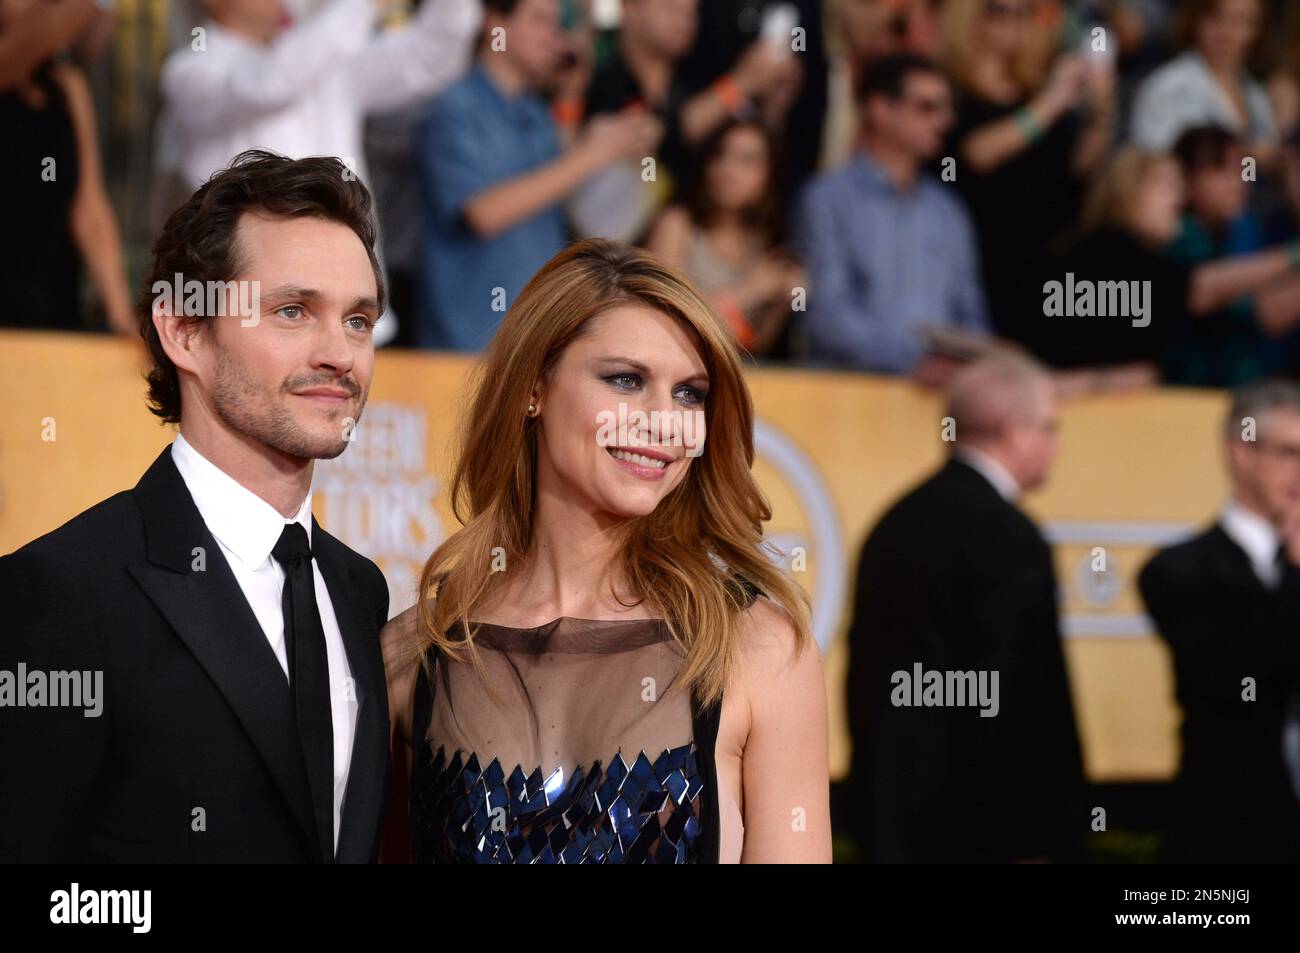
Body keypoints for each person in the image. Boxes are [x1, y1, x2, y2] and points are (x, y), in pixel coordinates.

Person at [382, 238, 831, 863]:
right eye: (626, 380)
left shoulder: (757, 648)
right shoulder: (413, 655)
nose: (663, 420)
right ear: (532, 388)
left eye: (689, 394)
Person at [0, 152, 392, 862]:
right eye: (293, 311)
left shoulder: (357, 589)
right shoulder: (63, 592)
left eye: (359, 320)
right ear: (184, 331)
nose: (342, 353)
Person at [847, 352, 1085, 862]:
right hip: (983, 834)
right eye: (1051, 426)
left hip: (893, 824)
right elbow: (1021, 701)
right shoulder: (1010, 537)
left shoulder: (891, 526)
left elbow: (864, 687)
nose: (1057, 443)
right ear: (1014, 430)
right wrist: (1035, 838)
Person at [416, 0, 661, 350]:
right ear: (494, 24)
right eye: (540, 20)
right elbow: (483, 213)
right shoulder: (455, 107)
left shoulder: (538, 113)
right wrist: (592, 154)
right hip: (466, 341)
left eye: (556, 23)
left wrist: (617, 146)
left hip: (534, 338)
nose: (553, 35)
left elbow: (572, 202)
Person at [1138, 378, 1300, 863]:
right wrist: (1296, 573)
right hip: (1232, 844)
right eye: (1291, 453)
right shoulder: (1177, 571)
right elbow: (1235, 675)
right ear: (1241, 453)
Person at [1024, 148, 1300, 393]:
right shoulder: (1107, 251)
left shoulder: (1151, 258)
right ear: (1127, 190)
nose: (1180, 197)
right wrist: (1291, 255)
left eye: (1180, 186)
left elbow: (1260, 312)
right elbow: (1200, 288)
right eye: (1166, 185)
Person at [794, 53, 990, 374]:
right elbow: (824, 314)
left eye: (945, 109)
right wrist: (914, 362)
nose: (944, 122)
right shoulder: (826, 199)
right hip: (846, 399)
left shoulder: (948, 210)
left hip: (939, 406)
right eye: (926, 107)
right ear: (879, 109)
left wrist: (963, 363)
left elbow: (971, 313)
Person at [939, 0, 1116, 333]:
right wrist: (1053, 100)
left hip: (1038, 268)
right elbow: (977, 154)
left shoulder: (1035, 95)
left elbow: (1079, 169)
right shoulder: (951, 92)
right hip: (973, 266)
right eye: (998, 9)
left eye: (1023, 11)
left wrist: (1100, 110)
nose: (1013, 20)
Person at [0, 0, 133, 333]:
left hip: (56, 313)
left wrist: (121, 315)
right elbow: (22, 46)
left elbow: (90, 210)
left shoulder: (69, 88)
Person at [645, 118, 802, 357]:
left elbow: (753, 348)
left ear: (769, 175)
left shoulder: (761, 240)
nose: (728, 170)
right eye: (720, 154)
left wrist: (785, 302)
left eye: (746, 161)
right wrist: (750, 289)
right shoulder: (677, 223)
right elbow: (664, 320)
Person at [1129, 0, 1278, 162]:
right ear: (1197, 19)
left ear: (1256, 30)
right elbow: (1152, 165)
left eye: (1240, 21)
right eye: (1216, 17)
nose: (1226, 32)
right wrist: (1246, 154)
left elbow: (1259, 165)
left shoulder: (1257, 95)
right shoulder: (1166, 87)